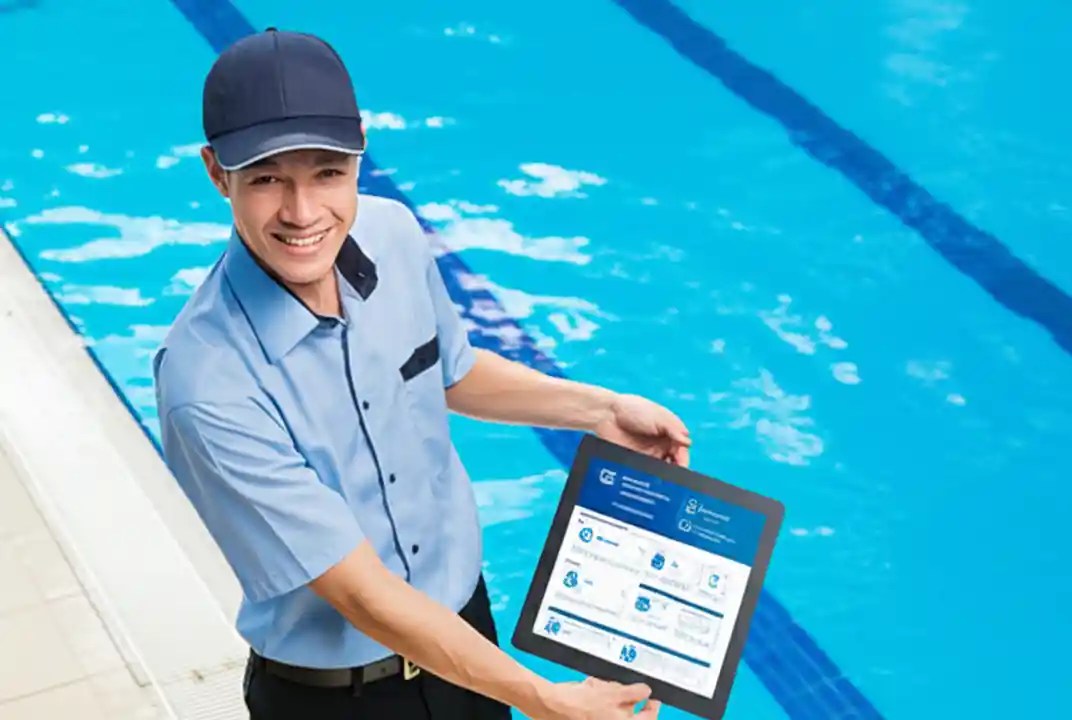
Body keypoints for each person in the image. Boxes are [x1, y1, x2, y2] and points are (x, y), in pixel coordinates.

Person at [152, 27, 691, 720]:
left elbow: (449, 372)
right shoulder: (208, 385)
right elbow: (362, 596)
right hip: (342, 702)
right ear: (216, 173)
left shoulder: (393, 235)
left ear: (361, 152)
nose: (303, 212)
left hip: (470, 644)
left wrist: (597, 411)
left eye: (327, 173)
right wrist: (545, 699)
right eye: (266, 179)